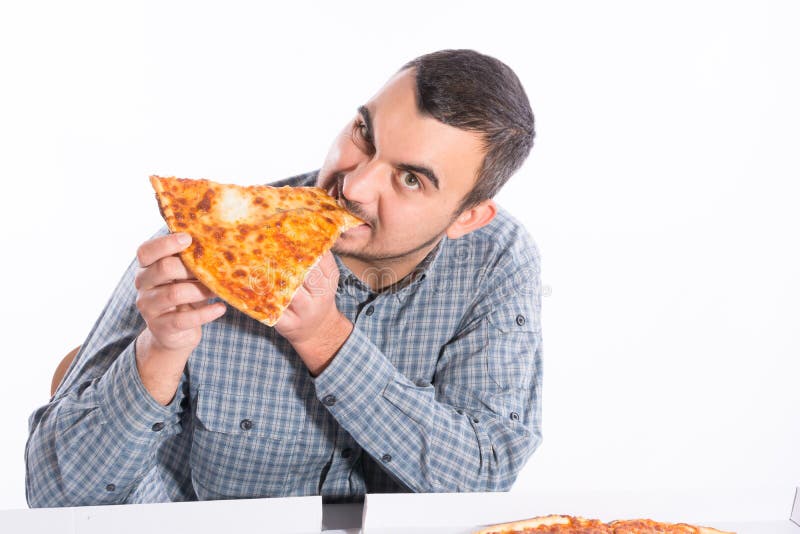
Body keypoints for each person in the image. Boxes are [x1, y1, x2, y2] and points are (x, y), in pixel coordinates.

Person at [26, 49, 543, 507]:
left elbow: (483, 477)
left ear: (466, 218)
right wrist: (159, 350)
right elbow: (53, 495)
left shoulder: (495, 260)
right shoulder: (211, 240)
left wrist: (324, 338)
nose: (355, 186)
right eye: (365, 134)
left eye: (409, 179)